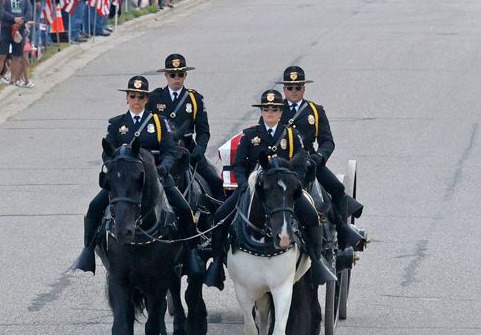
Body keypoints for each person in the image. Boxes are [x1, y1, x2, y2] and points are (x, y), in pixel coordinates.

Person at [206, 89, 336, 289]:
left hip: (284, 192)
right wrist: (243, 185)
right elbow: (238, 165)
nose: (270, 113)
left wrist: (294, 184)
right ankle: (216, 264)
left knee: (312, 217)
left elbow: (301, 161)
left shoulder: (293, 136)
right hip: (256, 189)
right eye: (266, 109)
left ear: (281, 111)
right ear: (261, 111)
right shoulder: (250, 135)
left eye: (274, 109)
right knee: (221, 216)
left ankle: (317, 261)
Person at [71, 76, 196, 274]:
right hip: (125, 180)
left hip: (155, 176)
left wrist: (162, 168)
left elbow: (170, 151)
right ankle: (88, 250)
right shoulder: (117, 124)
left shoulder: (158, 122)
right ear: (127, 98)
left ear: (147, 99)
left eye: (140, 96)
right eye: (132, 96)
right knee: (94, 207)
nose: (136, 100)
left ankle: (191, 253)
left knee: (182, 207)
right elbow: (108, 151)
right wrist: (115, 167)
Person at [279, 66, 365, 237]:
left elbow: (327, 141)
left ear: (303, 88)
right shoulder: (274, 109)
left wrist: (320, 156)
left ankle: (341, 233)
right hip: (282, 163)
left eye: (298, 87)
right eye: (290, 87)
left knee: (337, 188)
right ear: (284, 89)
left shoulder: (315, 111)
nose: (294, 91)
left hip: (311, 162)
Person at [146, 54, 223, 196]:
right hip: (161, 150)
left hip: (188, 149)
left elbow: (203, 130)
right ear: (166, 75)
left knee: (216, 182)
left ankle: (217, 217)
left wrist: (199, 149)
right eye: (172, 74)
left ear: (185, 75)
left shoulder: (194, 99)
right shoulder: (154, 98)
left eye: (180, 74)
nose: (176, 78)